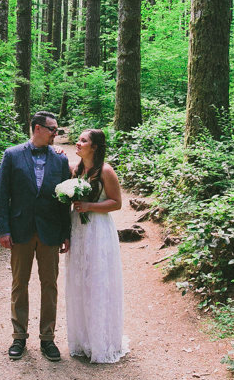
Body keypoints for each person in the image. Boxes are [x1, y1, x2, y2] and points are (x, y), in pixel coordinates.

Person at [0, 111, 71, 361]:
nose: (56, 134)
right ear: (37, 128)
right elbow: (2, 195)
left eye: (57, 130)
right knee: (20, 284)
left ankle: (47, 339)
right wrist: (3, 229)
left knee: (50, 285)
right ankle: (19, 337)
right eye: (53, 129)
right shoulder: (12, 154)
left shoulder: (60, 159)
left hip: (49, 231)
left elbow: (64, 200)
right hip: (20, 230)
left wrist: (65, 232)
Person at [66, 128, 129, 363]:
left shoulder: (105, 170)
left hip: (98, 231)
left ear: (94, 147)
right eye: (78, 139)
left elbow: (117, 203)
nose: (78, 142)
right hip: (78, 230)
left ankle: (102, 341)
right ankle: (83, 340)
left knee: (98, 281)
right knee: (79, 280)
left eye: (83, 140)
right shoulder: (76, 169)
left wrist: (90, 207)